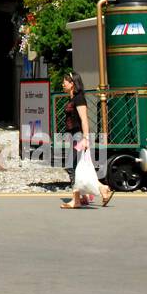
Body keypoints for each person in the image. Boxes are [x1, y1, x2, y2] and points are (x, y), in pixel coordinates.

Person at [60, 71, 113, 209]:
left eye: (64, 82)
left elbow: (84, 120)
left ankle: (76, 199)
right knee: (77, 166)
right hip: (73, 136)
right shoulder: (72, 99)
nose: (62, 84)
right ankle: (102, 189)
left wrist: (85, 138)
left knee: (74, 166)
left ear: (72, 84)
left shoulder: (79, 98)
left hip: (78, 136)